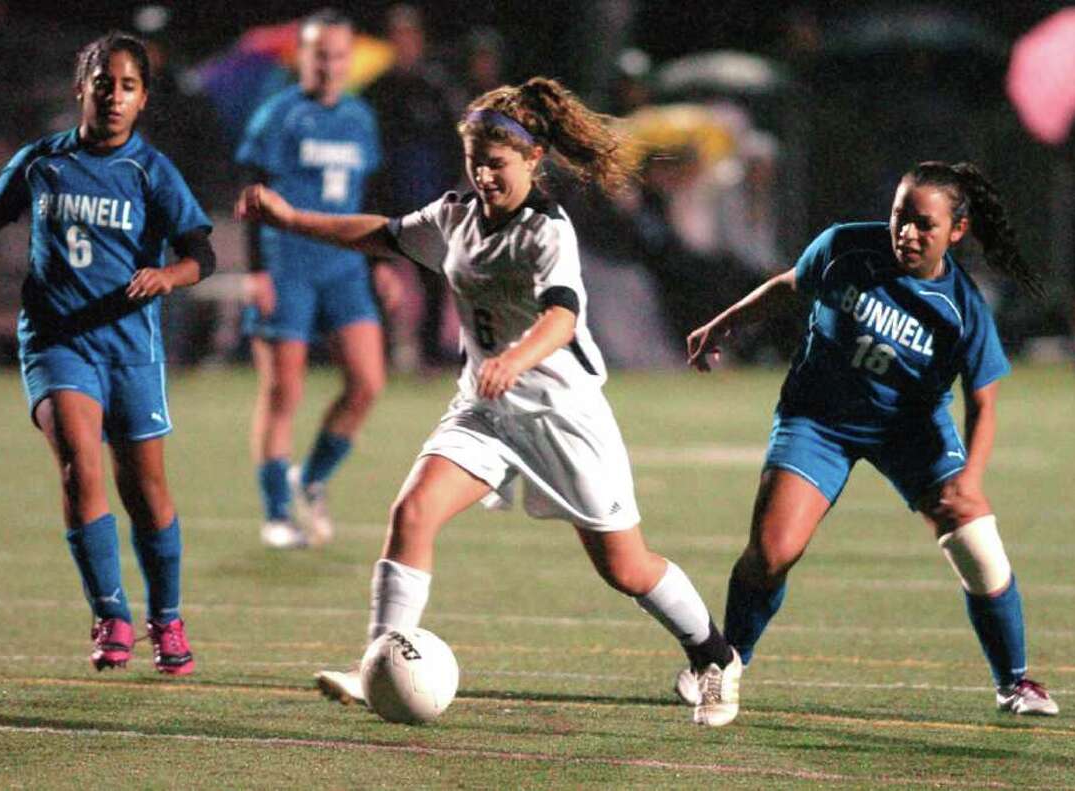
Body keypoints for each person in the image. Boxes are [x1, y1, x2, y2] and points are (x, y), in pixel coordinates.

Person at [236, 76, 743, 727]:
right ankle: (374, 666)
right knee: (413, 510)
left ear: (533, 160)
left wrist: (516, 357)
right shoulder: (456, 216)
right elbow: (384, 234)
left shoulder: (547, 231)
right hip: (484, 411)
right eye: (475, 161)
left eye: (496, 163)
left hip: (561, 417)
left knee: (625, 565)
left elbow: (562, 317)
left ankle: (716, 657)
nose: (483, 175)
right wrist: (290, 219)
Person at [686, 161, 1059, 716]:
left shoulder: (964, 309)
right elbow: (792, 284)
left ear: (956, 232)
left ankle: (1015, 682)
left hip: (910, 431)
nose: (907, 233)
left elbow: (984, 401)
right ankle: (727, 661)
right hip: (819, 420)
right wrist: (727, 321)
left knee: (976, 542)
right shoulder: (844, 247)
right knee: (771, 554)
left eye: (924, 225)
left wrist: (970, 481)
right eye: (899, 218)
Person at [0, 31, 215, 675]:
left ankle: (166, 617)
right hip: (59, 341)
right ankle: (111, 612)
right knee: (78, 465)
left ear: (143, 99)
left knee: (145, 491)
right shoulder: (43, 163)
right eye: (104, 84)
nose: (114, 97)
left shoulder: (151, 172)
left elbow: (205, 253)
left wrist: (168, 277)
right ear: (81, 89)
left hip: (130, 348)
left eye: (128, 86)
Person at [236, 9, 394, 550]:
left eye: (338, 56)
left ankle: (313, 476)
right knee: (285, 391)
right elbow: (252, 197)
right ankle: (278, 514)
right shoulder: (278, 115)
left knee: (368, 381)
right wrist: (256, 270)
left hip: (344, 264)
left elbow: (367, 199)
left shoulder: (362, 116)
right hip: (287, 263)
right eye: (320, 54)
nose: (330, 65)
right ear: (302, 56)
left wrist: (381, 263)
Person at [363, 4, 463, 372]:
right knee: (380, 277)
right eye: (398, 36)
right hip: (386, 203)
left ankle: (430, 353)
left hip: (427, 203)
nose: (405, 43)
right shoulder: (377, 91)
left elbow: (456, 147)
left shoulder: (436, 89)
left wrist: (448, 194)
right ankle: (384, 352)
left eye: (411, 35)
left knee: (433, 279)